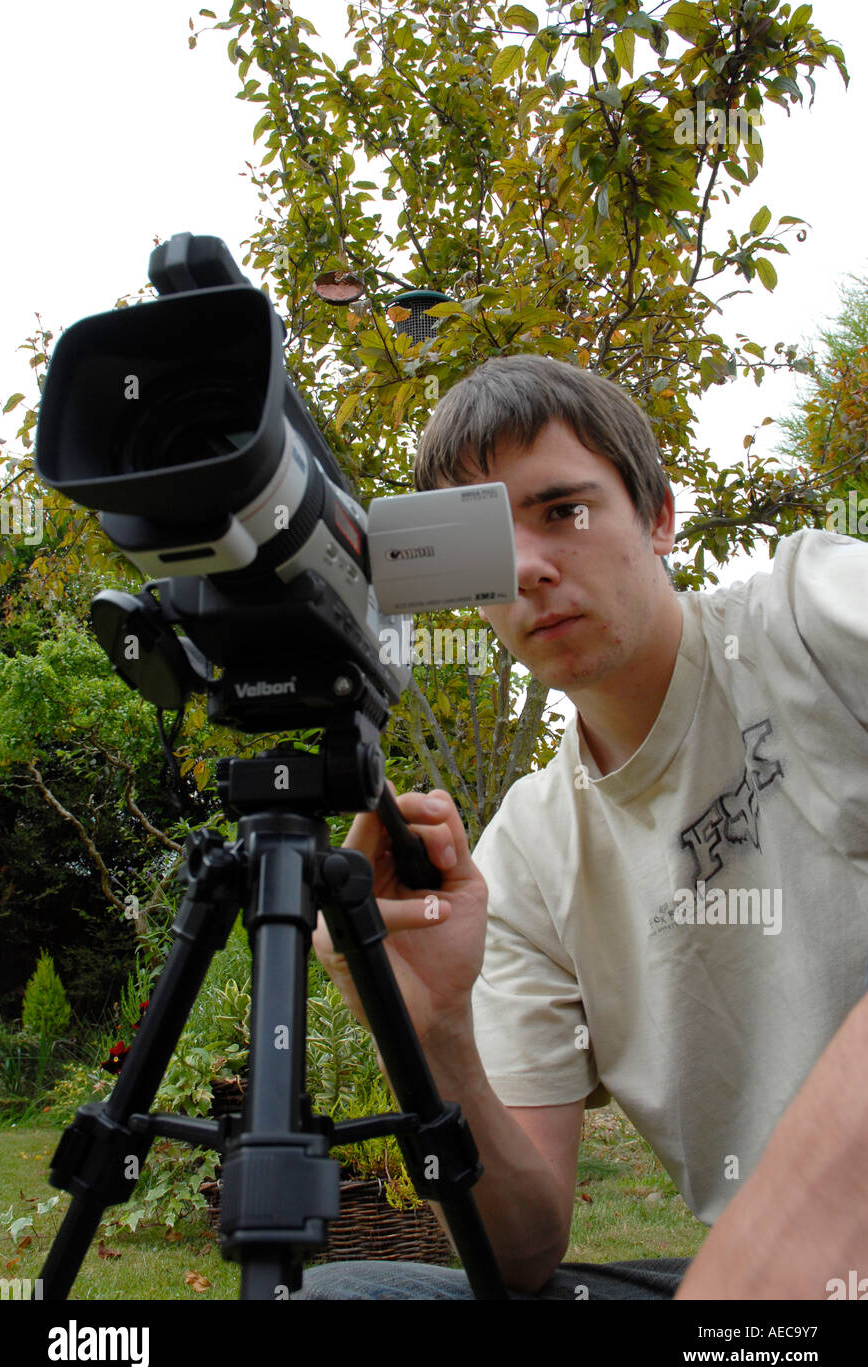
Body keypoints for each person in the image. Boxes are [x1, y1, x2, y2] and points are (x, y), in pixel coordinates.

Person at [299, 354, 868, 1301]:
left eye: (563, 510)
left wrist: (770, 1256)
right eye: (486, 543)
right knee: (348, 1299)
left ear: (657, 517)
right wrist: (434, 1036)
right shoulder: (523, 850)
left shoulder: (812, 614)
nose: (526, 565)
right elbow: (520, 1253)